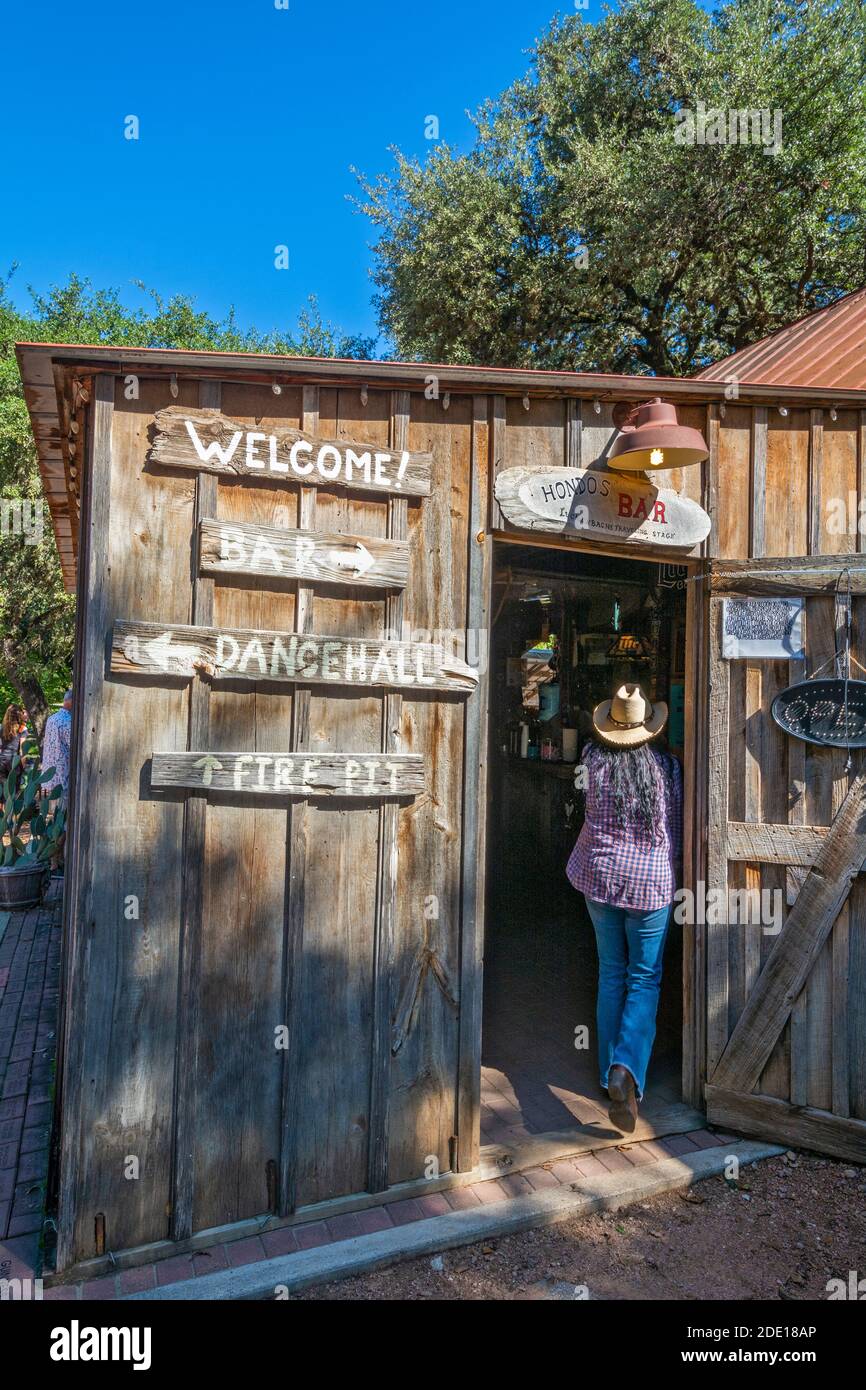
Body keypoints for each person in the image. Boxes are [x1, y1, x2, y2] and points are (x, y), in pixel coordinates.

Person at [566, 682, 682, 1133]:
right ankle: (626, 1069)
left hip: (599, 876)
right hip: (648, 883)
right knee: (644, 977)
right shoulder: (666, 769)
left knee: (611, 972)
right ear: (649, 728)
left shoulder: (592, 761)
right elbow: (673, 829)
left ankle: (606, 1075)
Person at [42, 689, 73, 804]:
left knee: (53, 811)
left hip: (49, 775)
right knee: (63, 811)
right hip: (63, 776)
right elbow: (73, 746)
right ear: (71, 701)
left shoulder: (51, 718)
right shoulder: (69, 721)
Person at [0, 704, 27, 783]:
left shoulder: (1, 727)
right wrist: (23, 765)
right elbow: (22, 750)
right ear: (19, 715)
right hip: (15, 762)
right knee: (14, 788)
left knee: (2, 788)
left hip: (2, 761)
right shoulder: (22, 728)